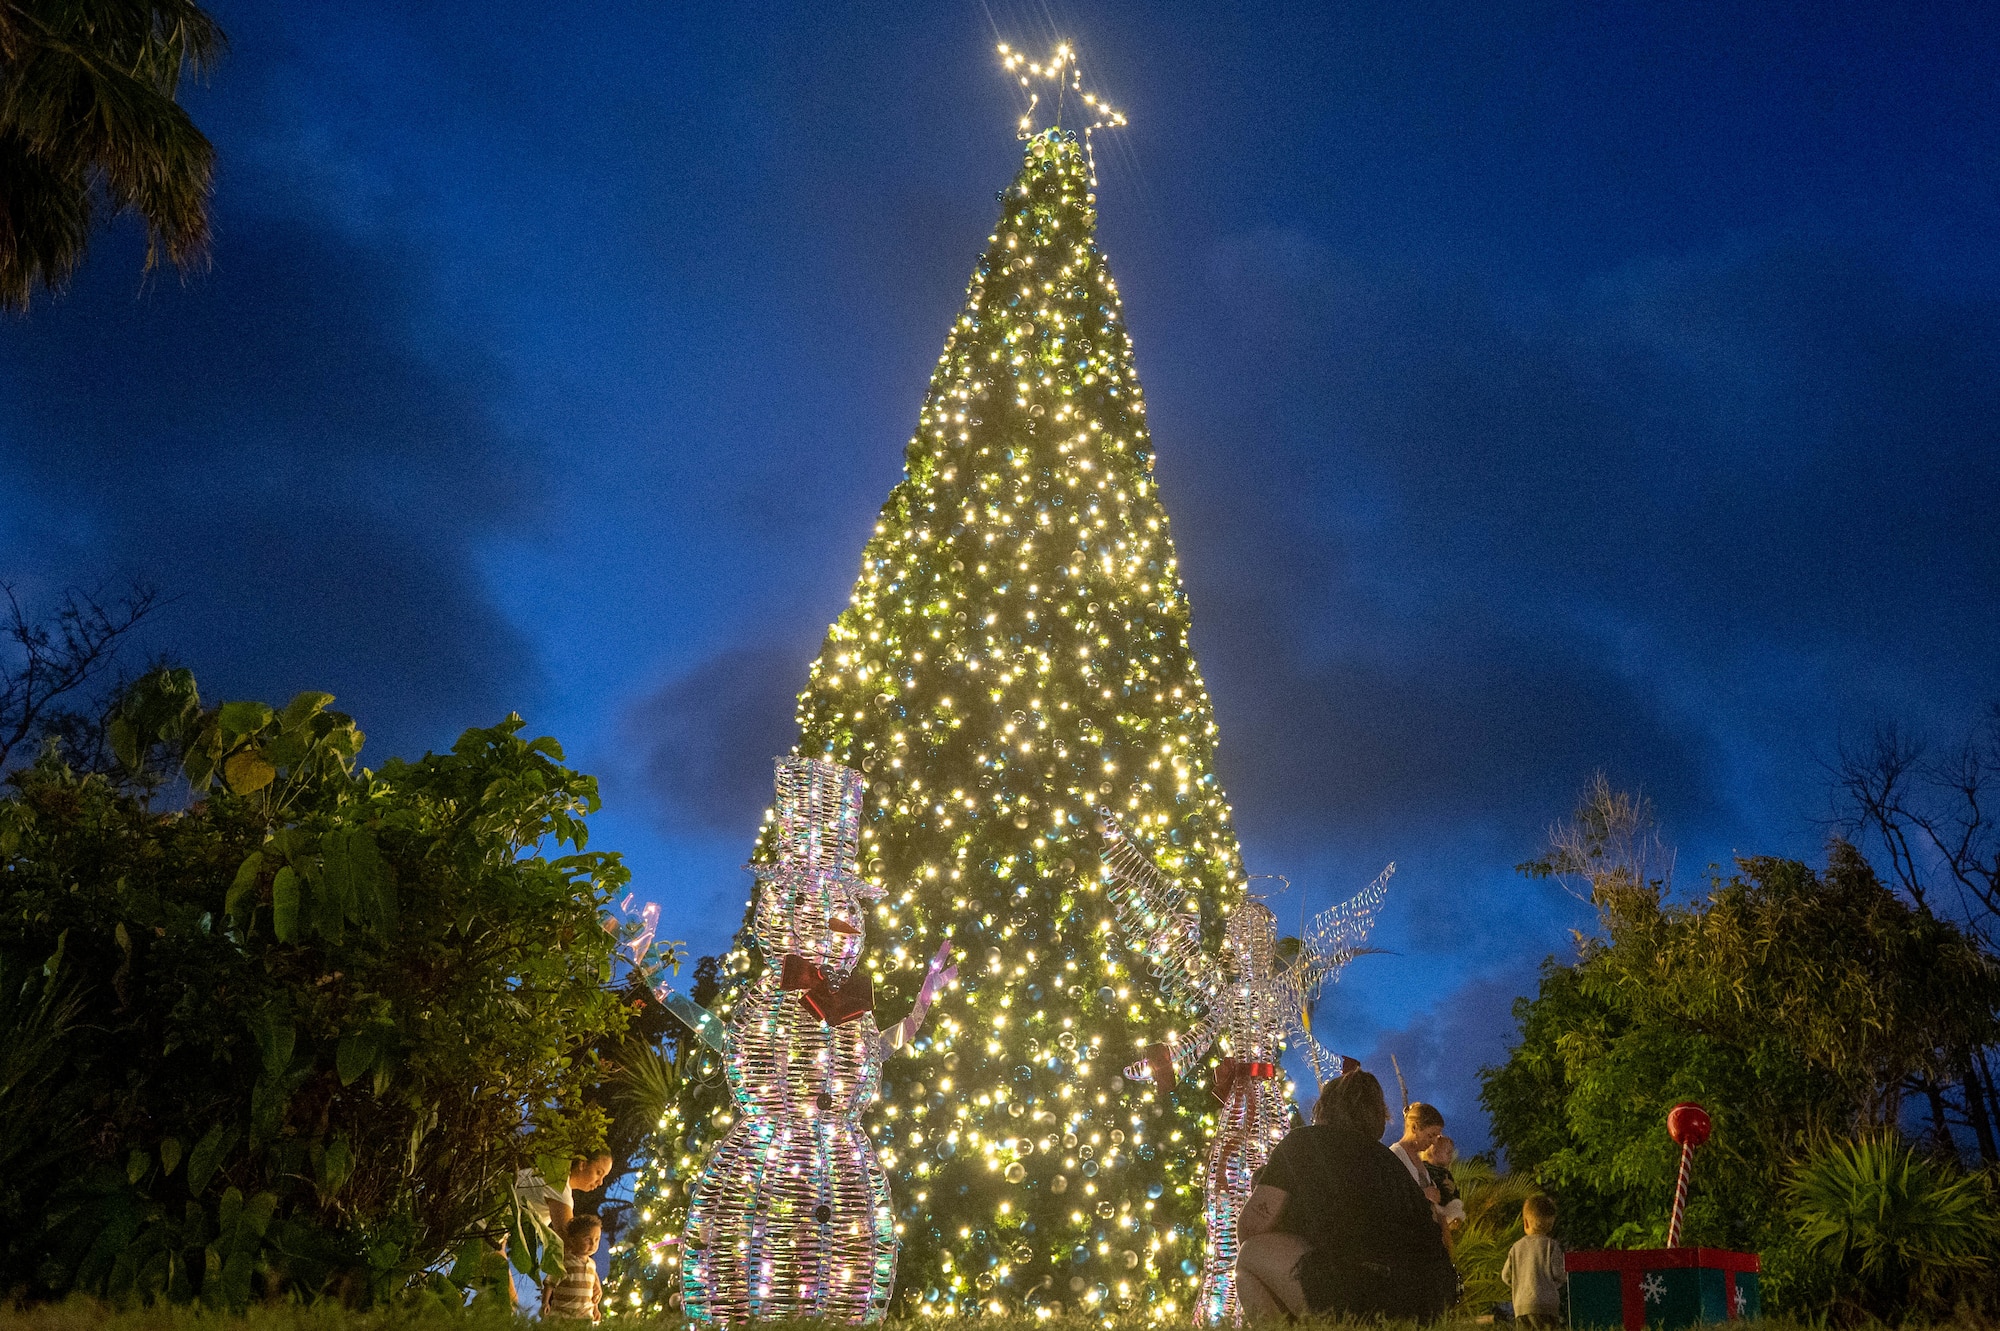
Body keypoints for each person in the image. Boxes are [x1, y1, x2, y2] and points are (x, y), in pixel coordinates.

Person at [1235, 1069, 1455, 1321]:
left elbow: (1251, 1227)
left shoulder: (1302, 1144)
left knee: (1251, 1253)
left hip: (1359, 1298)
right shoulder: (1392, 1165)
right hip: (1423, 1305)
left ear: (1324, 1108)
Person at [1502, 1195, 1567, 1328]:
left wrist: (1520, 1285)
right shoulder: (1551, 1246)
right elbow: (1559, 1274)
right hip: (1547, 1306)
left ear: (1526, 1222)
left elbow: (1506, 1276)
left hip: (1522, 1307)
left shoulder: (1516, 1248)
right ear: (1550, 1226)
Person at [516, 1152, 614, 1234]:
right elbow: (570, 1242)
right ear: (582, 1164)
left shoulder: (548, 1174)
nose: (600, 1182)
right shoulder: (559, 1188)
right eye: (598, 1173)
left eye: (604, 1176)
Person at [542, 1214, 604, 1321]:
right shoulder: (565, 1262)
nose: (593, 1244)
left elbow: (593, 1292)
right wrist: (545, 1303)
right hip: (562, 1315)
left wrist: (595, 1309)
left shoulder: (592, 1265)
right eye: (587, 1239)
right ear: (573, 1240)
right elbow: (550, 1283)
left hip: (585, 1316)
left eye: (597, 1239)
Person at [1391, 1101, 1446, 1206]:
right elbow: (1391, 1198)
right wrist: (1422, 1194)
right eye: (1431, 1135)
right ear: (1414, 1128)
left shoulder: (1418, 1159)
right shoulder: (1396, 1155)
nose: (1434, 1142)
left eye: (1437, 1137)